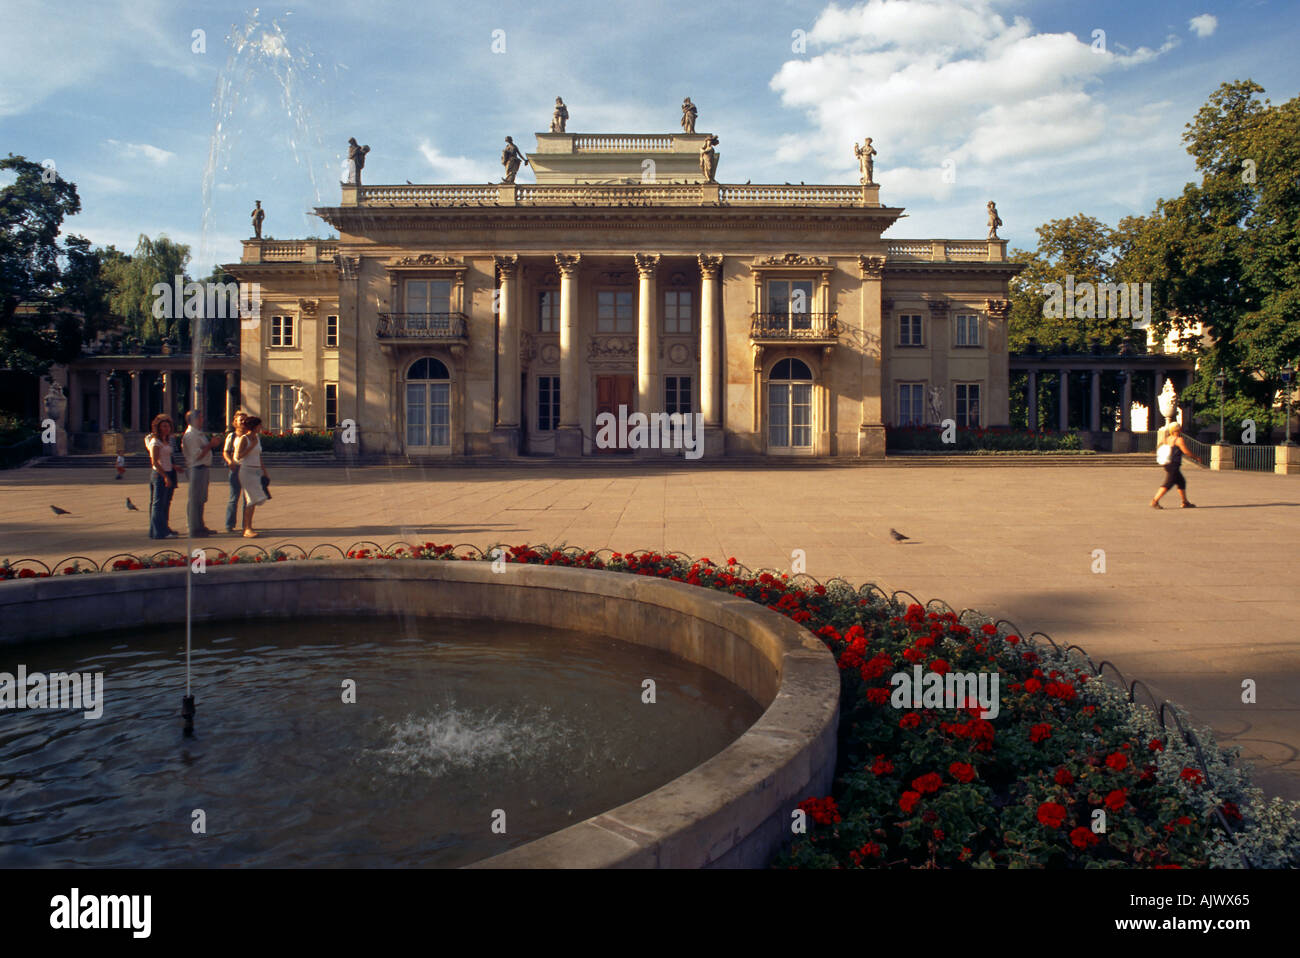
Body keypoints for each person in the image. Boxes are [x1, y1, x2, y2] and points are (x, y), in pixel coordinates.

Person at [182, 410, 223, 537]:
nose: (202, 420)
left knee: (201, 499)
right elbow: (196, 455)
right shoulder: (190, 435)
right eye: (199, 418)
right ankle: (194, 527)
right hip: (196, 468)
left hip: (202, 468)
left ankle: (200, 525)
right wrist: (211, 445)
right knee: (195, 499)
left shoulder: (198, 434)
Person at [145, 414, 184, 538]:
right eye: (164, 426)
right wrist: (165, 476)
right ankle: (159, 532)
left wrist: (173, 467)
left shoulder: (165, 441)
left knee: (165, 503)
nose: (166, 428)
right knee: (158, 504)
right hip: (160, 474)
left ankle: (163, 528)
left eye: (168, 426)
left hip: (168, 471)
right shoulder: (155, 442)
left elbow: (165, 458)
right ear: (158, 428)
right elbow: (155, 462)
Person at [234, 415, 270, 537]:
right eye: (259, 425)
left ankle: (249, 525)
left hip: (256, 471)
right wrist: (250, 447)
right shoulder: (245, 438)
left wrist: (264, 472)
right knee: (250, 499)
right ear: (254, 426)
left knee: (254, 500)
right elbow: (238, 456)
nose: (261, 427)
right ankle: (247, 528)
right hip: (246, 471)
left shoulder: (257, 438)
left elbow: (259, 456)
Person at [1151, 421, 1200, 508]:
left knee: (1181, 482)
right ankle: (1155, 501)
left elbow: (1159, 447)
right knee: (1168, 483)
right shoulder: (1178, 440)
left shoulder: (1167, 439)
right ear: (1177, 430)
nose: (1181, 430)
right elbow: (1186, 452)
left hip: (1167, 463)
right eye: (1179, 429)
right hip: (1173, 465)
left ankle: (1185, 502)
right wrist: (1196, 457)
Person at [222, 412, 247, 533]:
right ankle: (229, 524)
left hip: (248, 469)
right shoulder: (231, 436)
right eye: (240, 420)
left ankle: (246, 524)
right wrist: (229, 461)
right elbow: (226, 451)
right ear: (235, 422)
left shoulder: (250, 435)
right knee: (233, 497)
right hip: (235, 468)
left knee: (247, 499)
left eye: (244, 420)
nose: (242, 422)